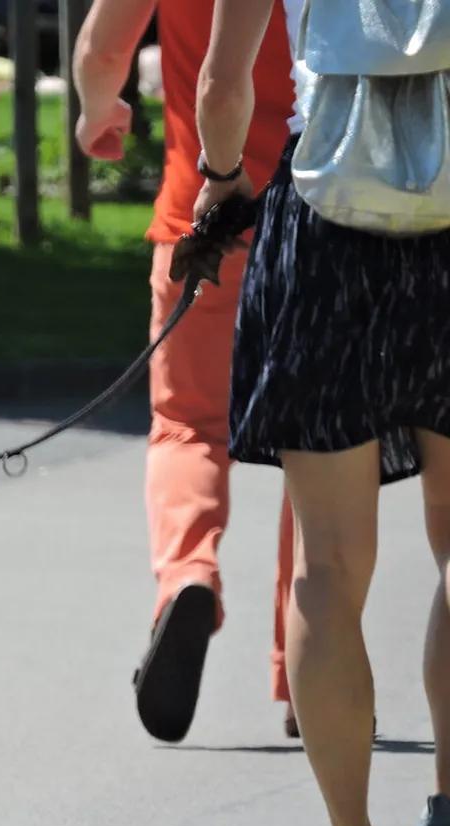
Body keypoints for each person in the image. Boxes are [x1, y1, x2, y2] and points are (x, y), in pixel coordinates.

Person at [197, 0, 450, 826]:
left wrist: (221, 179)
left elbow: (226, 84)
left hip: (327, 231)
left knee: (329, 569)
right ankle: (449, 810)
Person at [73, 0, 297, 743]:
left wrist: (97, 116)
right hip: (315, 230)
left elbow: (105, 51)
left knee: (185, 426)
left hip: (198, 226)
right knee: (321, 449)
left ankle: (188, 576)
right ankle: (310, 661)